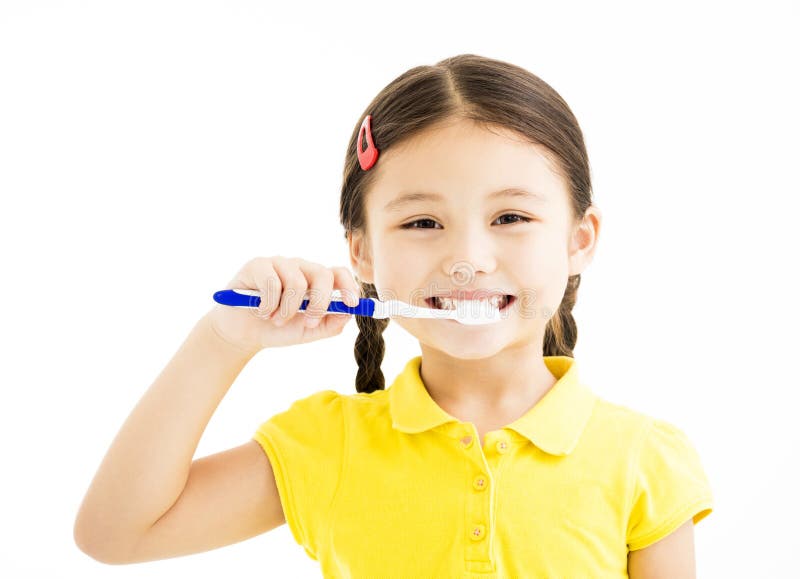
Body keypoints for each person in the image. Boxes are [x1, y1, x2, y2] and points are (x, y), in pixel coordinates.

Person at [74, 53, 713, 577]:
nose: (468, 259)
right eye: (422, 222)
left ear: (580, 238)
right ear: (363, 253)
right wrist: (222, 340)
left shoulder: (645, 458)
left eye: (510, 217)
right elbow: (116, 534)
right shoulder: (329, 445)